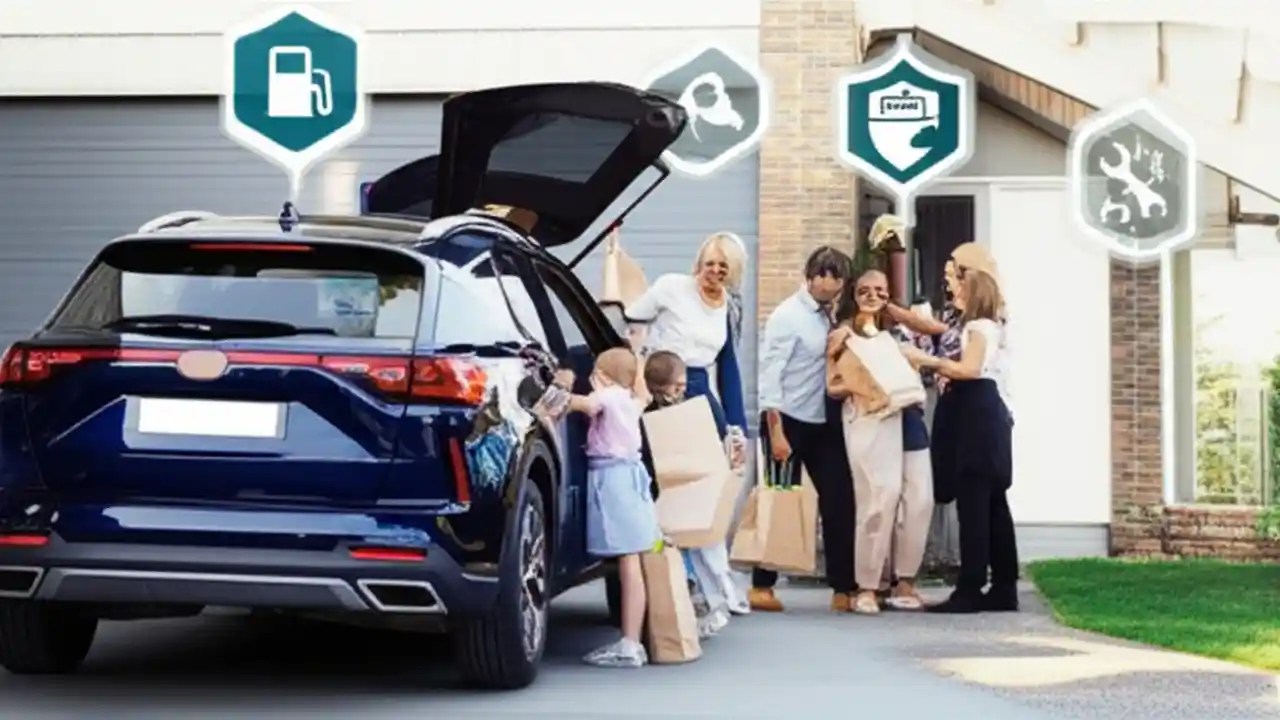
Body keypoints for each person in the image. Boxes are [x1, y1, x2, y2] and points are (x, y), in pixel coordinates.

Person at [624, 232, 750, 617]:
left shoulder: (730, 307)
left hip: (699, 395)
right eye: (709, 262)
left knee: (703, 492)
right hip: (662, 390)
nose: (713, 272)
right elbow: (631, 317)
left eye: (722, 266)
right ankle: (679, 578)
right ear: (699, 261)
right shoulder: (670, 288)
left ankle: (717, 585)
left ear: (733, 273)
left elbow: (728, 367)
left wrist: (735, 425)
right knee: (663, 488)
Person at [749, 246, 856, 613]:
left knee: (840, 501)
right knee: (780, 500)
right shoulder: (788, 316)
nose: (827, 283)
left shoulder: (833, 316)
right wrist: (775, 431)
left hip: (824, 422)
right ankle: (762, 585)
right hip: (787, 420)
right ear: (808, 276)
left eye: (835, 276)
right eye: (821, 275)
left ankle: (844, 587)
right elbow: (770, 375)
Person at [905, 268, 1018, 614]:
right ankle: (1003, 587)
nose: (952, 292)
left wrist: (924, 360)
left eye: (959, 287)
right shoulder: (989, 327)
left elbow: (969, 369)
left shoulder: (978, 328)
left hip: (975, 414)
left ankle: (969, 589)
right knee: (994, 505)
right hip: (988, 414)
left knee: (973, 505)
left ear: (974, 293)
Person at [827, 270, 934, 615]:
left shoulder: (903, 331)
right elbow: (833, 385)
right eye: (865, 291)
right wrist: (866, 387)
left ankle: (905, 580)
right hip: (872, 418)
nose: (872, 296)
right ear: (854, 294)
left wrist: (901, 315)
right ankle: (869, 584)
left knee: (920, 498)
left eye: (880, 291)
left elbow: (939, 338)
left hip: (910, 416)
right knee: (878, 498)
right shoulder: (843, 335)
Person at [560, 348, 661, 667]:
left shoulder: (608, 396)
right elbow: (644, 395)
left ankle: (629, 644)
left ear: (600, 376)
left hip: (613, 479)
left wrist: (562, 389)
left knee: (628, 560)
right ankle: (631, 641)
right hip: (631, 477)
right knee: (633, 559)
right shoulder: (632, 401)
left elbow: (587, 404)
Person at [637, 351, 726, 638]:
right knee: (676, 546)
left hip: (666, 494)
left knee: (675, 545)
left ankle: (689, 592)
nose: (682, 390)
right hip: (669, 493)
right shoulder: (664, 414)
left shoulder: (651, 414)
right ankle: (692, 593)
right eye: (678, 385)